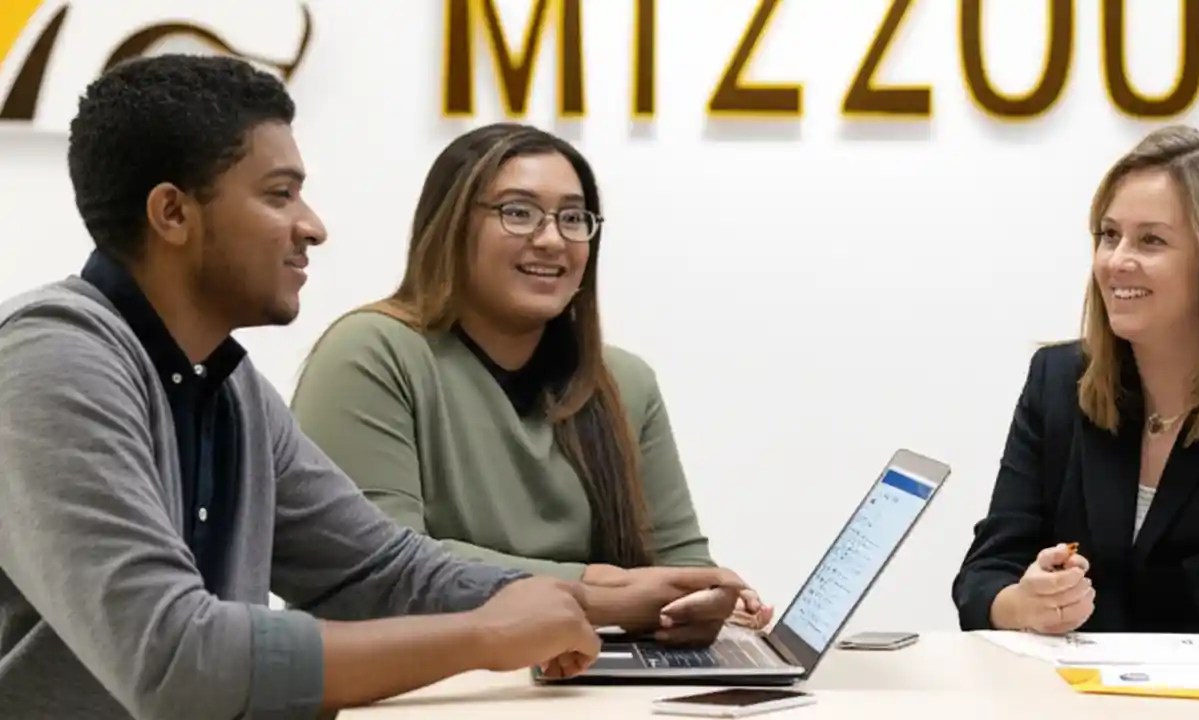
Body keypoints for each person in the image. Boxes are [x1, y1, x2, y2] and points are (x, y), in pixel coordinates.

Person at [0, 55, 742, 720]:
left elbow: (378, 568)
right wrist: (486, 634)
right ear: (172, 213)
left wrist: (596, 599)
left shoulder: (229, 390)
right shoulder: (49, 362)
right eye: (280, 194)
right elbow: (175, 660)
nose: (312, 226)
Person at [290, 122, 773, 632]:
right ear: (451, 224)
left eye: (572, 217)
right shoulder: (372, 353)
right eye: (518, 212)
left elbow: (681, 569)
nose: (550, 239)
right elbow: (378, 567)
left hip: (583, 685)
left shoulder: (623, 381)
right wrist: (593, 588)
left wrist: (713, 603)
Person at [952, 125, 1199, 635]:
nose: (1116, 261)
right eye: (1109, 235)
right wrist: (1024, 603)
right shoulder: (1059, 380)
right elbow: (985, 572)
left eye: (1151, 240)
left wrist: (1096, 600)